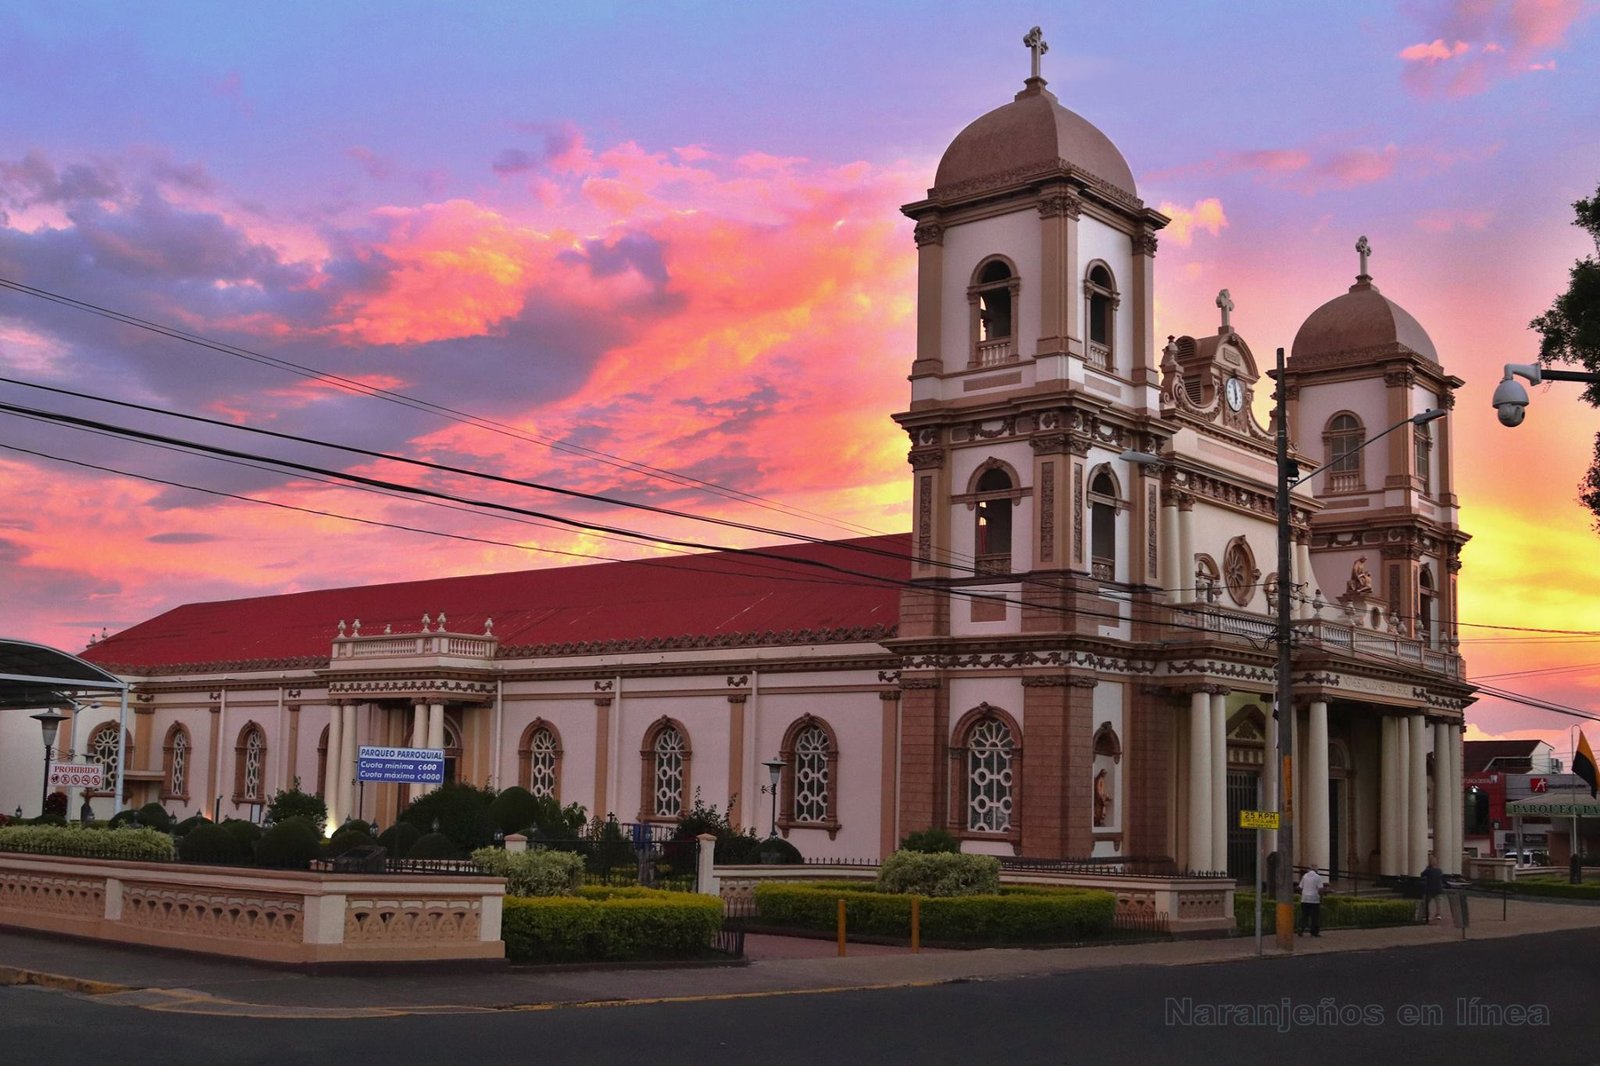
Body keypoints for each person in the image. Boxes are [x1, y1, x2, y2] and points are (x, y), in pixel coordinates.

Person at [1297, 865, 1327, 937]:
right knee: (1315, 916)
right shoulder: (1317, 877)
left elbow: (1299, 887)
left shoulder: (1304, 876)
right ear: (1316, 870)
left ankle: (1301, 929)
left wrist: (1303, 894)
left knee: (1304, 915)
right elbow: (1320, 889)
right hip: (1314, 900)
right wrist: (1321, 898)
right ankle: (1314, 932)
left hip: (1304, 899)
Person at [1421, 853, 1445, 923]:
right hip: (1438, 889)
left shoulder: (1428, 870)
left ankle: (1426, 914)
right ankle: (1438, 915)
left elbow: (1422, 874)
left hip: (1430, 889)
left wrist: (1426, 868)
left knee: (1426, 903)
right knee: (1438, 903)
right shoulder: (1439, 870)